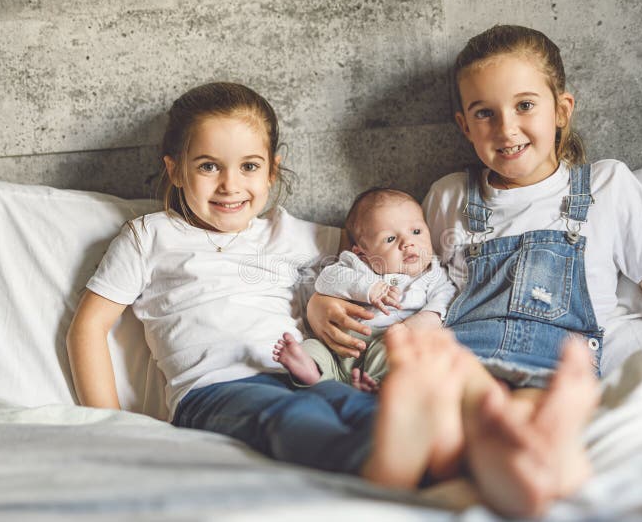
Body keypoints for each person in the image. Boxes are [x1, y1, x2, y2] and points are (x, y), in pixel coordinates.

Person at [66, 81, 599, 518]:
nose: (231, 185)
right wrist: (115, 430)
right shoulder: (149, 236)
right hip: (215, 391)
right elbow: (89, 328)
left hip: (309, 373)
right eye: (208, 166)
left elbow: (364, 255)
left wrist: (319, 304)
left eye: (249, 167)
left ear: (273, 171)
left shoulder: (286, 232)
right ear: (176, 169)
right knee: (287, 423)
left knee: (353, 404)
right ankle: (387, 465)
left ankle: (494, 457)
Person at [308, 24, 642, 510]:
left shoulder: (608, 187)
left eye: (525, 105)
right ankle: (491, 465)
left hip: (547, 363)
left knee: (522, 408)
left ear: (561, 111)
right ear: (464, 125)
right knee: (463, 403)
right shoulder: (447, 196)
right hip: (462, 358)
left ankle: (483, 464)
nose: (505, 129)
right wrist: (322, 301)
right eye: (485, 113)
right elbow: (407, 283)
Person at [273, 187, 456, 391]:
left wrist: (428, 317)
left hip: (389, 338)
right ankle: (311, 370)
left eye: (416, 231)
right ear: (362, 251)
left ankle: (375, 384)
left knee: (398, 354)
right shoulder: (358, 265)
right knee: (312, 348)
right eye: (390, 239)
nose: (408, 243)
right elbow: (326, 279)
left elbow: (447, 297)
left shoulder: (433, 274)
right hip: (340, 345)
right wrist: (369, 287)